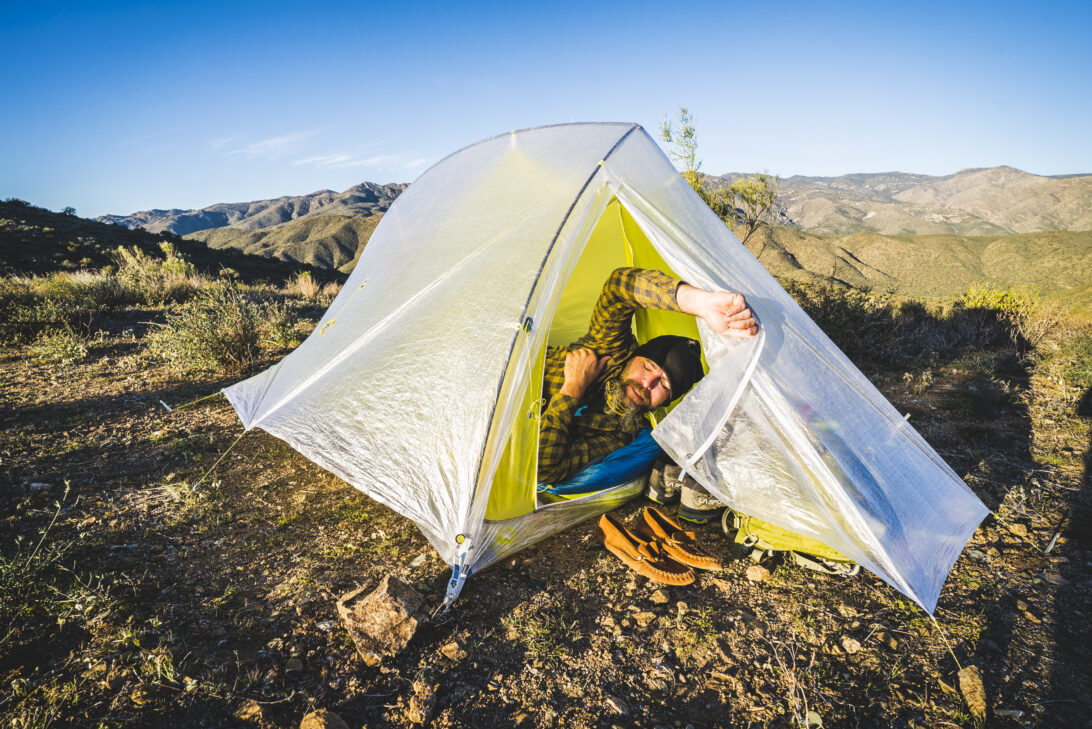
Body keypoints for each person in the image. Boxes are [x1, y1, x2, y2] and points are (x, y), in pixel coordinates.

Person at [537, 267, 758, 507]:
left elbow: (543, 468)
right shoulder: (607, 351)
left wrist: (572, 389)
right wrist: (699, 303)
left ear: (665, 402)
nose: (647, 383)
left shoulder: (617, 434)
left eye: (663, 384)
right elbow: (618, 286)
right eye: (648, 367)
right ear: (633, 357)